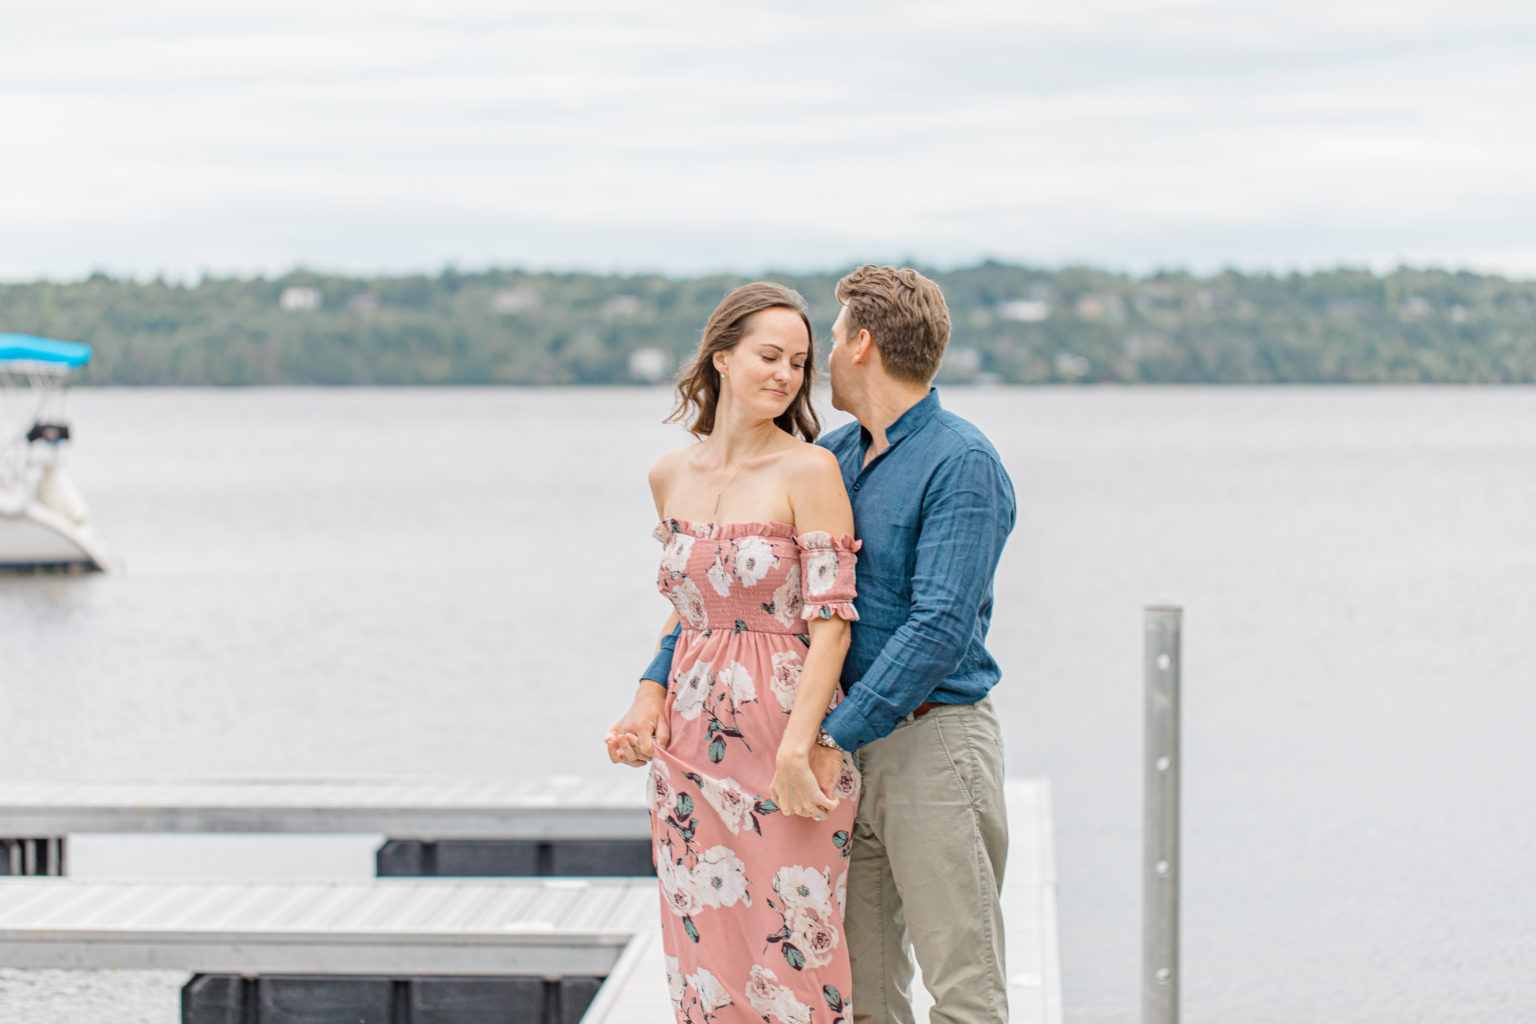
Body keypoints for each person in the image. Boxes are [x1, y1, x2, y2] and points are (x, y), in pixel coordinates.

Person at [623, 266, 1017, 1024]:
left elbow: (937, 627)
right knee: (859, 990)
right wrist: (654, 687)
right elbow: (722, 598)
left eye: (822, 344)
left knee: (963, 988)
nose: (811, 364)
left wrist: (827, 736)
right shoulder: (834, 455)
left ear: (861, 344)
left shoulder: (961, 461)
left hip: (929, 743)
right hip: (834, 750)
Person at [606, 281, 865, 1024]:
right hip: (690, 744)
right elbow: (688, 612)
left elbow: (833, 623)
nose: (785, 375)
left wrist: (801, 745)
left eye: (799, 363)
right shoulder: (669, 474)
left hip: (787, 735)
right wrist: (646, 696)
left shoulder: (809, 470)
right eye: (769, 355)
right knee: (705, 957)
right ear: (721, 357)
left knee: (796, 959)